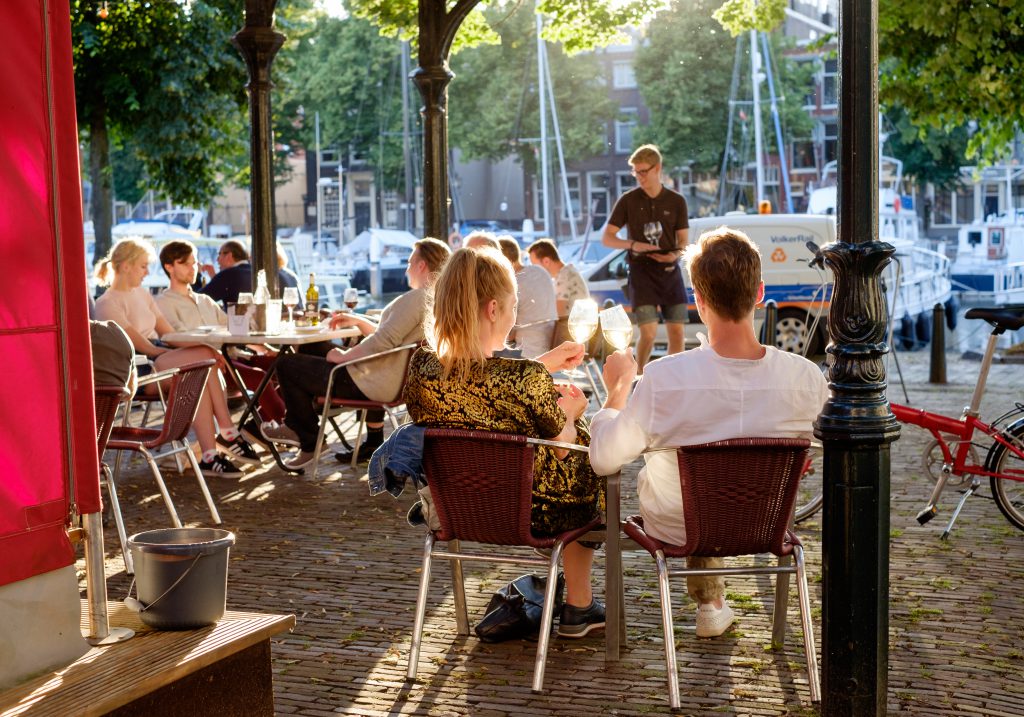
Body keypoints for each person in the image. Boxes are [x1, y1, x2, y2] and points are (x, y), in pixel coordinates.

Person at [589, 227, 829, 638]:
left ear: (698, 300)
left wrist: (617, 391)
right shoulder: (805, 378)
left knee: (673, 476)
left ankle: (709, 603)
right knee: (708, 481)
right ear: (759, 293)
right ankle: (713, 604)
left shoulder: (665, 378)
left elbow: (603, 459)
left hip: (677, 528)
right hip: (765, 524)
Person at [403, 246, 606, 638]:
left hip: (457, 509)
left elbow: (478, 385)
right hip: (530, 513)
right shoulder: (525, 382)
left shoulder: (421, 370)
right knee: (586, 456)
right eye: (514, 306)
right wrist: (572, 414)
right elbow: (561, 445)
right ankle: (579, 605)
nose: (515, 315)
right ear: (493, 309)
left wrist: (540, 365)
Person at [262, 238, 452, 469]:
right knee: (312, 348)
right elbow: (392, 336)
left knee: (286, 364)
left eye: (410, 262)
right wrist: (358, 321)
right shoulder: (437, 300)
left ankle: (308, 439)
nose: (406, 268)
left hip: (371, 381)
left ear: (422, 266)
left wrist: (344, 357)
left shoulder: (418, 297)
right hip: (388, 379)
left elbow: (384, 340)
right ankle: (299, 422)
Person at [93, 238, 259, 477]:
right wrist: (197, 352)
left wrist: (202, 349)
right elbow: (142, 347)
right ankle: (228, 431)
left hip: (158, 357)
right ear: (126, 266)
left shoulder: (142, 295)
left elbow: (169, 334)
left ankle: (209, 456)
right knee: (202, 359)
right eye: (143, 266)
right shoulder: (106, 303)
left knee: (200, 368)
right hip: (139, 369)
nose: (147, 272)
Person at [155, 239, 286, 431]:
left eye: (194, 262)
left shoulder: (205, 300)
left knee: (285, 365)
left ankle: (260, 428)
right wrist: (211, 350)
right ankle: (287, 427)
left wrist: (264, 348)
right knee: (259, 377)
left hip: (232, 357)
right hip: (207, 366)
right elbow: (176, 339)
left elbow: (235, 329)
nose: (193, 268)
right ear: (169, 267)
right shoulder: (163, 302)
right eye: (185, 264)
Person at [601, 144, 690, 370]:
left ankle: (673, 378)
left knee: (677, 332)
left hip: (670, 271)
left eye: (643, 171)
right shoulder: (628, 200)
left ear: (657, 168)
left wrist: (674, 256)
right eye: (635, 172)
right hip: (641, 272)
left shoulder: (676, 201)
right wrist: (634, 245)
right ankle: (639, 377)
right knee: (648, 333)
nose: (639, 177)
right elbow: (607, 238)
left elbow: (683, 242)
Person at [497, 236, 557, 359]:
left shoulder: (513, 283)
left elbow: (508, 335)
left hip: (526, 352)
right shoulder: (540, 271)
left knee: (485, 354)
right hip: (550, 344)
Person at [526, 238, 590, 346]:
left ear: (546, 261)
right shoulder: (566, 273)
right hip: (575, 335)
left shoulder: (564, 276)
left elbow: (559, 313)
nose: (535, 270)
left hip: (572, 338)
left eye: (535, 265)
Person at [90, 319, 135, 395]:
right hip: (113, 402)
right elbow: (130, 391)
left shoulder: (70, 339)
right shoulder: (119, 333)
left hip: (77, 401)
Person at [200, 239, 252, 306]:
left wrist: (197, 274)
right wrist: (215, 278)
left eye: (219, 254)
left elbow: (198, 299)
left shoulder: (228, 274)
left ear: (229, 256)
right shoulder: (252, 271)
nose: (217, 259)